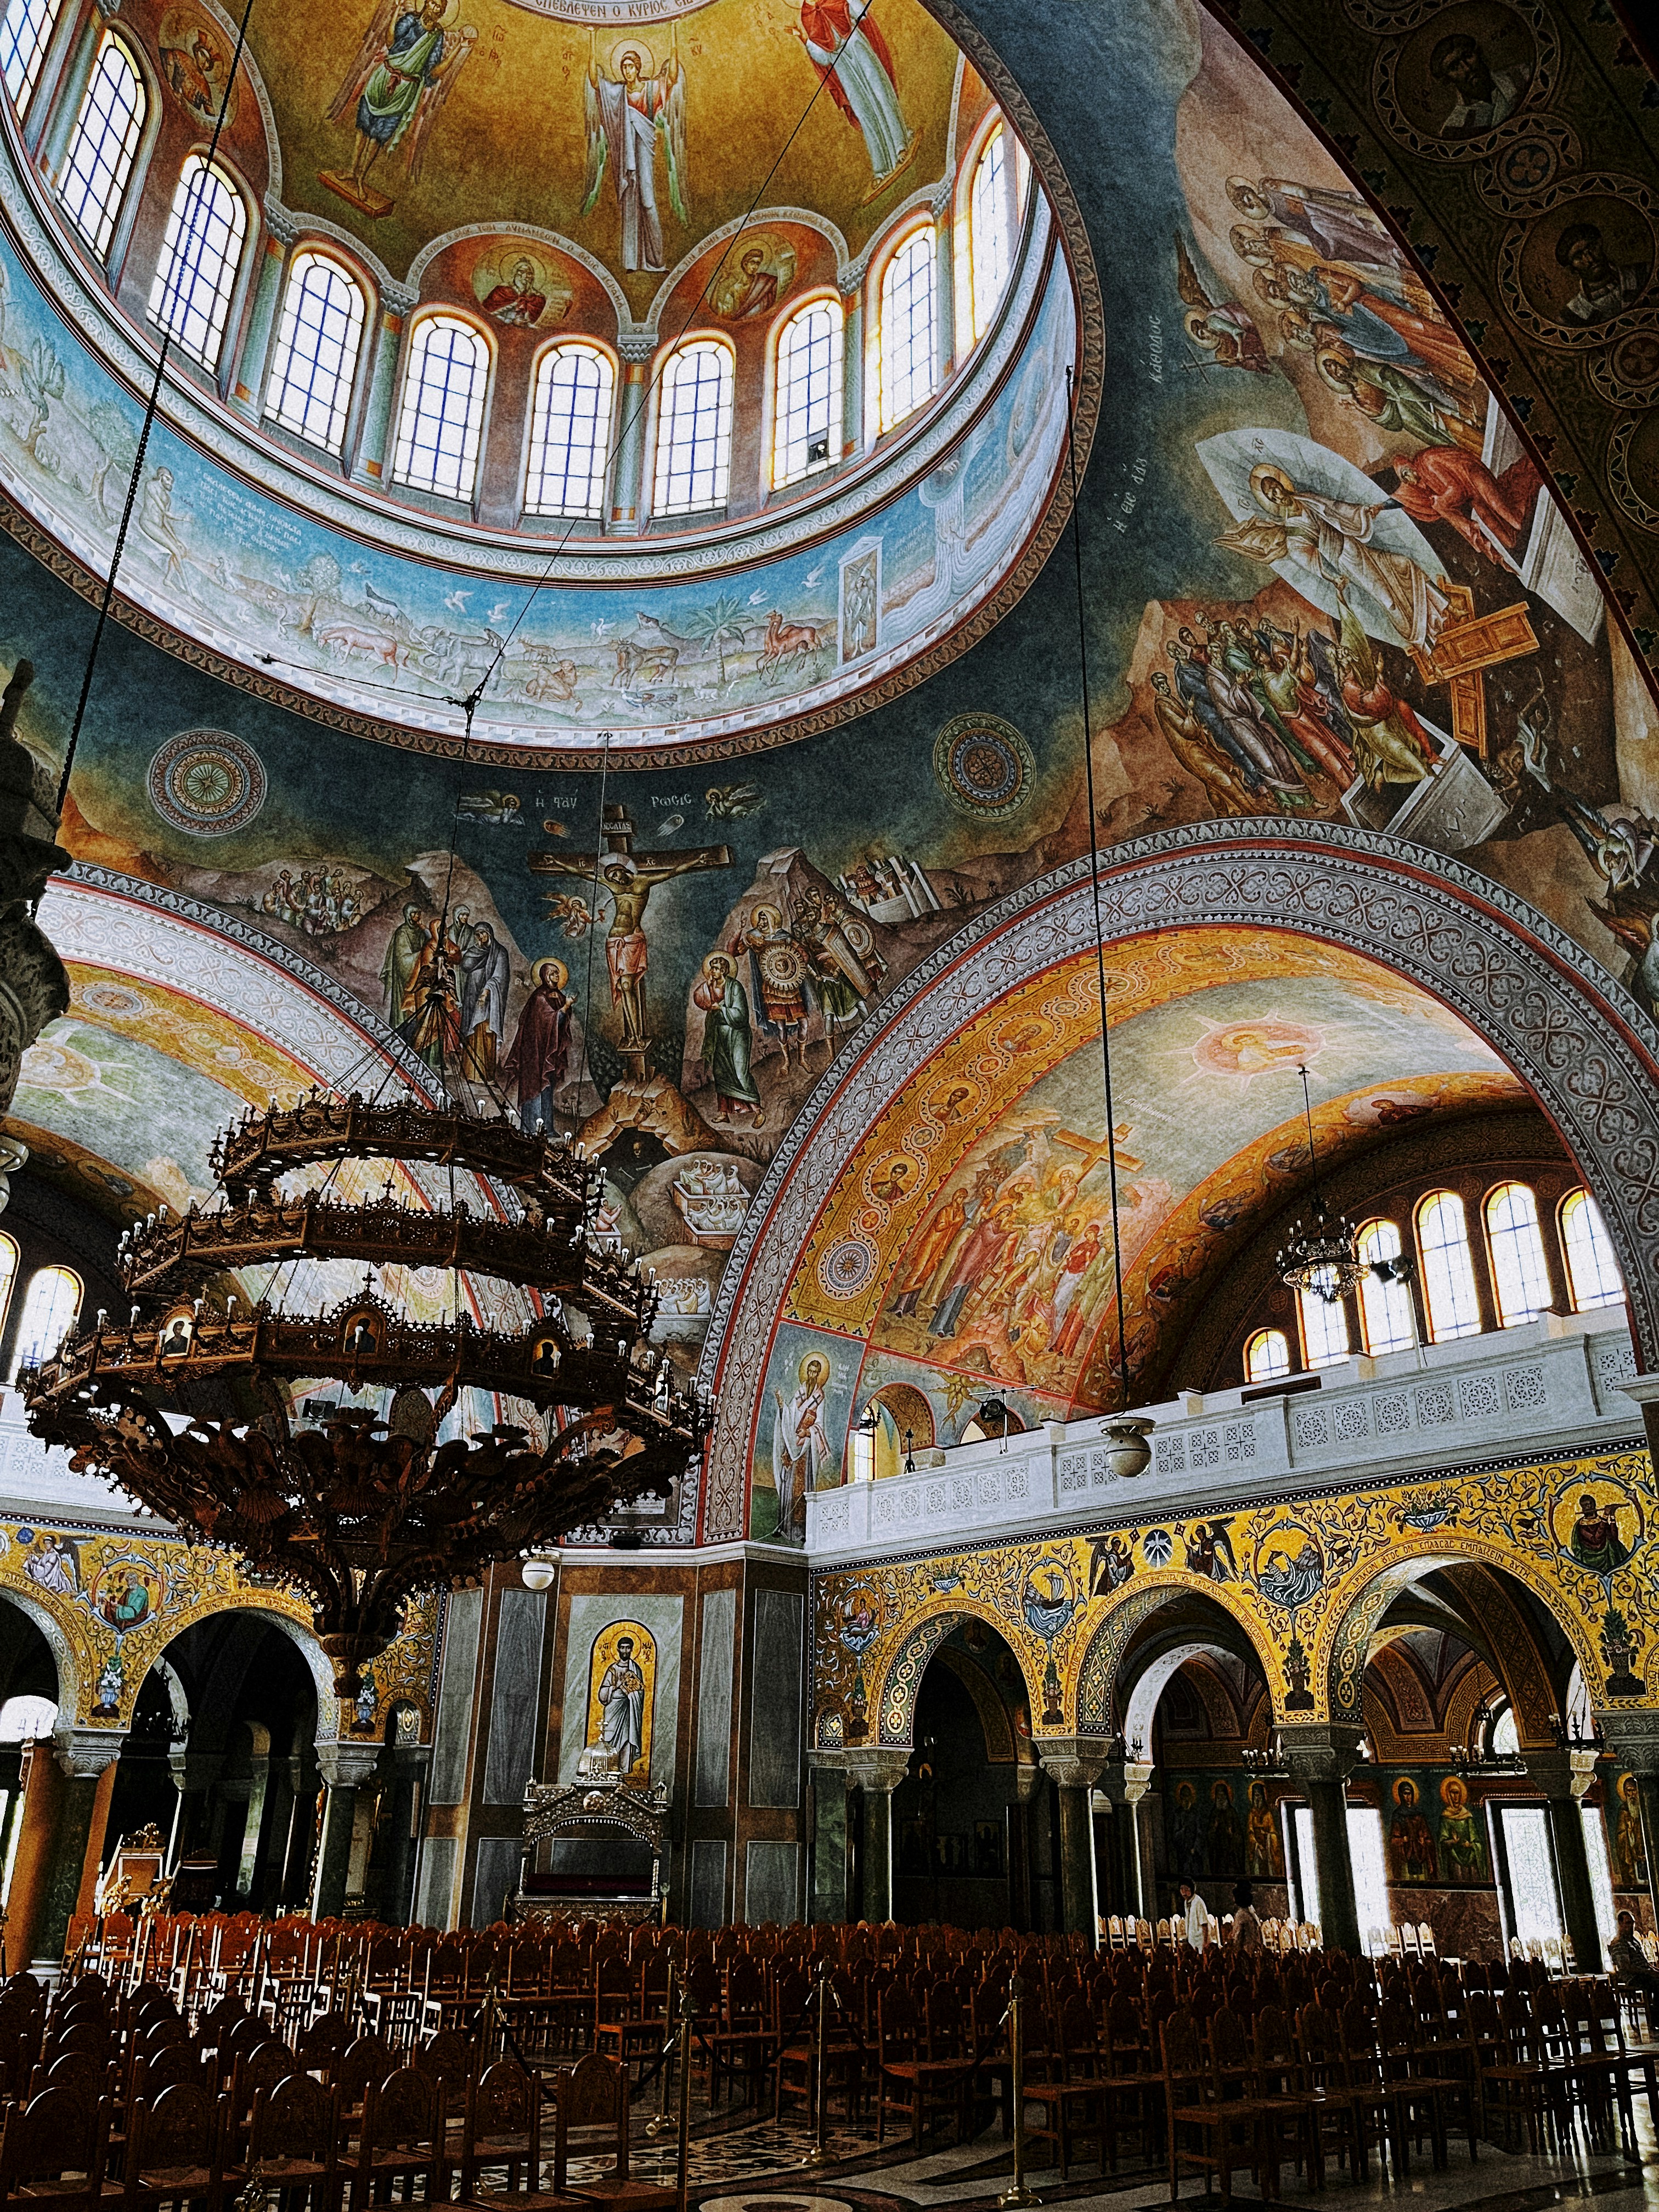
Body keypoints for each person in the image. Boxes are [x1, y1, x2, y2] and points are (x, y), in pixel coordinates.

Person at [1607, 1910, 1659, 2032]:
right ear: (1621, 1924)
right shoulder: (1619, 1943)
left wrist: (1655, 1970)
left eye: (1632, 1923)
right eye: (1628, 1923)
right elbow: (1626, 1966)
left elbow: (1645, 1963)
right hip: (1633, 1977)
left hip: (1643, 1973)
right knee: (1657, 1984)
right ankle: (1656, 2020)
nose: (1631, 1926)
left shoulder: (1634, 1941)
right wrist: (1648, 1973)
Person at [1231, 1881, 1263, 1954]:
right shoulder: (1252, 1912)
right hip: (1255, 1950)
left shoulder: (1241, 1915)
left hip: (1245, 1952)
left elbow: (1238, 1938)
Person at [1178, 1877, 1209, 1949]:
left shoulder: (1198, 1902)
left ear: (1192, 1889)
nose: (1184, 1892)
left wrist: (1205, 1942)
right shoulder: (1187, 1902)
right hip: (1191, 1940)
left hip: (1200, 1940)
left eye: (1186, 1889)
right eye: (1182, 1889)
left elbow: (1204, 1924)